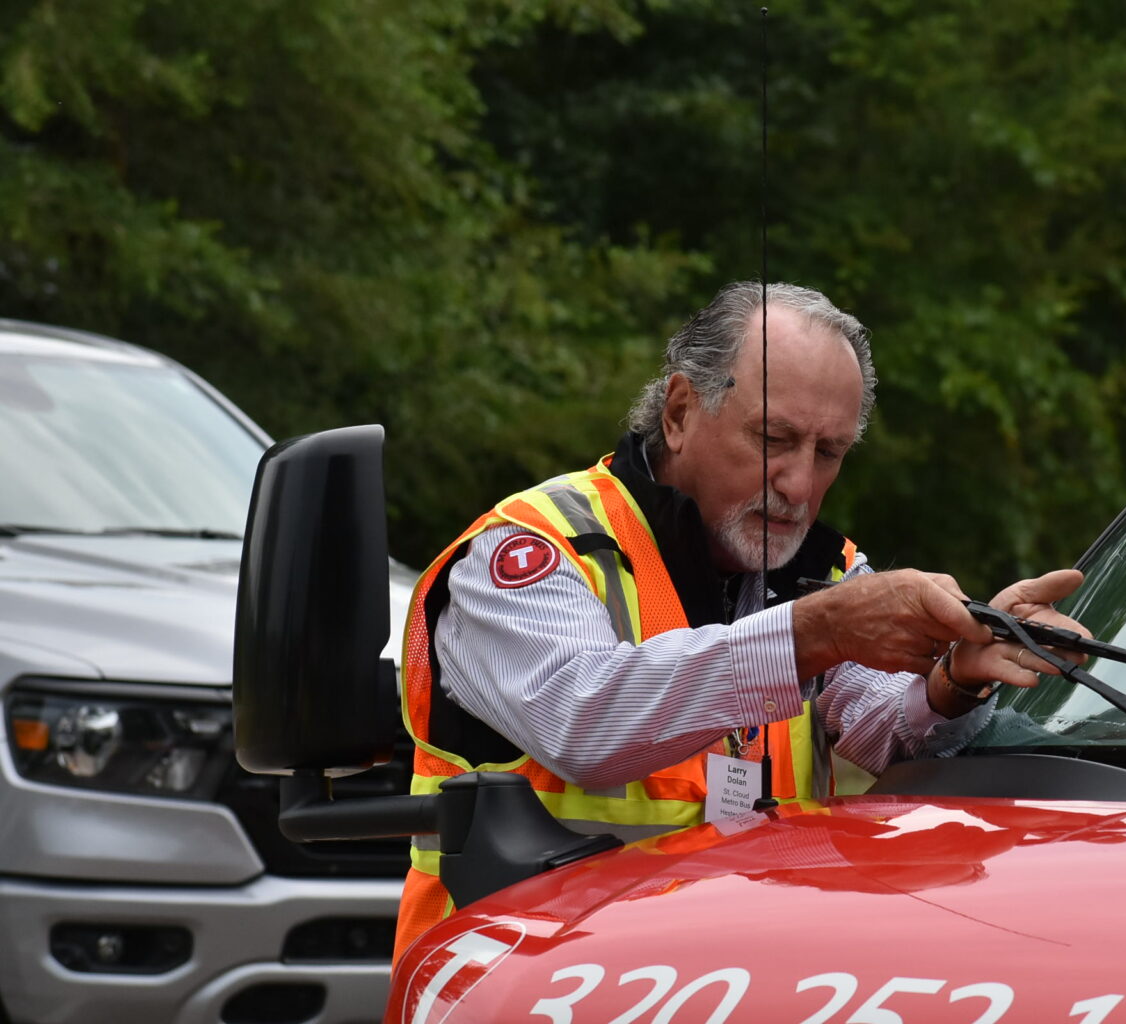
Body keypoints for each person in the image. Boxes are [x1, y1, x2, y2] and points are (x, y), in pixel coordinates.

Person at [393, 281, 1090, 958]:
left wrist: (954, 681)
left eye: (829, 453)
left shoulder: (822, 571)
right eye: (774, 440)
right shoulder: (533, 547)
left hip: (733, 985)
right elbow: (582, 719)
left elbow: (881, 725)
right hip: (526, 989)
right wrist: (815, 632)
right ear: (678, 412)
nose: (798, 484)